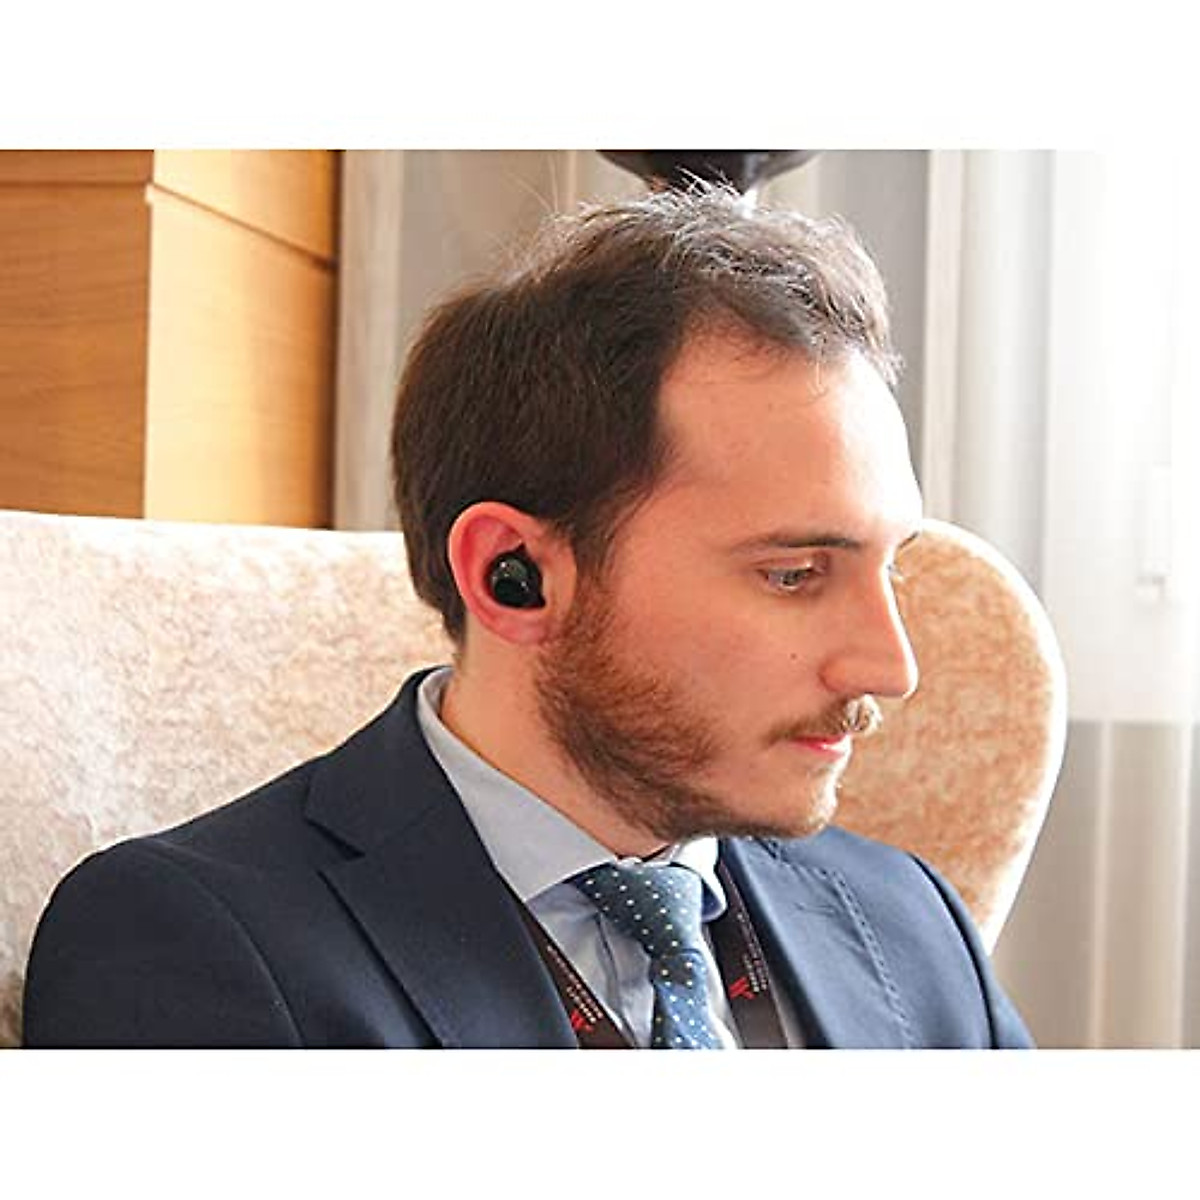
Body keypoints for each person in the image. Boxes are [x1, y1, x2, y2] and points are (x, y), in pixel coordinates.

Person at [22, 185, 1031, 1049]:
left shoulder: (913, 925)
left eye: (891, 569)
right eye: (794, 574)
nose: (891, 667)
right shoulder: (188, 946)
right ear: (515, 577)